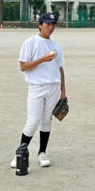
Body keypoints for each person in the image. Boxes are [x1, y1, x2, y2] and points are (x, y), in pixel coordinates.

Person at [11, 12, 66, 168]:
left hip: (53, 86)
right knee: (33, 121)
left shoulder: (56, 45)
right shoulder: (30, 42)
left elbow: (60, 69)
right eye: (48, 24)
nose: (51, 27)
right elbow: (23, 66)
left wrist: (63, 92)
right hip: (36, 86)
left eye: (53, 24)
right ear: (40, 25)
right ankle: (20, 152)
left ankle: (42, 152)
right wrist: (43, 59)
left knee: (47, 120)